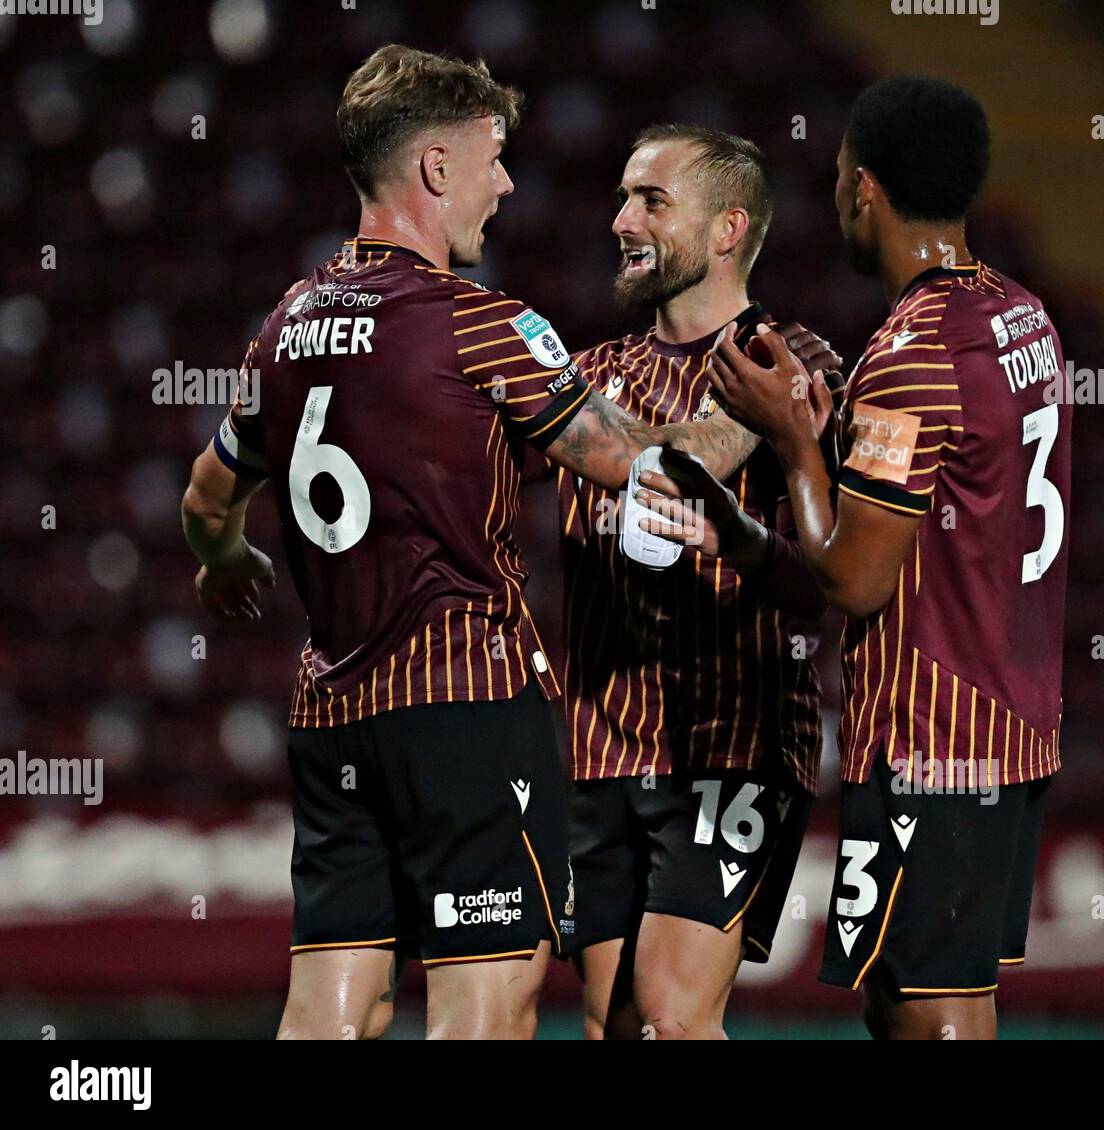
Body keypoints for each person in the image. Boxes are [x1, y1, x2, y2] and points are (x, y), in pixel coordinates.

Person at [180, 44, 763, 1040]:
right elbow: (639, 464)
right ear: (435, 168)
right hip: (467, 708)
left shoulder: (286, 323)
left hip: (332, 716)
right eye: (493, 157)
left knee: (328, 1008)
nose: (506, 183)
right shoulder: (481, 325)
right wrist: (753, 414)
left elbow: (203, 498)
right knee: (486, 1006)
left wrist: (228, 561)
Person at [639, 75, 1070, 1040]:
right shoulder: (1024, 318)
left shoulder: (912, 352)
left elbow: (854, 579)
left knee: (928, 1010)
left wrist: (795, 442)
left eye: (838, 174)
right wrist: (746, 539)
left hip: (936, 727)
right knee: (907, 995)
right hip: (1013, 712)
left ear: (861, 189)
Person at [560, 124, 840, 1040]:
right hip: (602, 743)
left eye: (650, 201)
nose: (620, 221)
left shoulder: (794, 368)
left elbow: (829, 583)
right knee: (613, 1023)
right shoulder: (590, 379)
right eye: (622, 197)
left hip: (734, 740)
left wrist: (735, 537)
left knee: (674, 1020)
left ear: (727, 230)